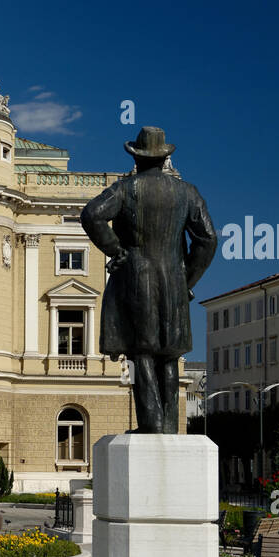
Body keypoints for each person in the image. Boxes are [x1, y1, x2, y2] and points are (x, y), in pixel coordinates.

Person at [81, 126, 217, 433]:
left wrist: (116, 250)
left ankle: (152, 425)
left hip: (136, 277)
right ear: (164, 158)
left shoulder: (126, 189)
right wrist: (188, 279)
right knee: (169, 354)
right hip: (174, 282)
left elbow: (92, 214)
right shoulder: (187, 192)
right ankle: (168, 426)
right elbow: (208, 239)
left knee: (141, 352)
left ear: (137, 157)